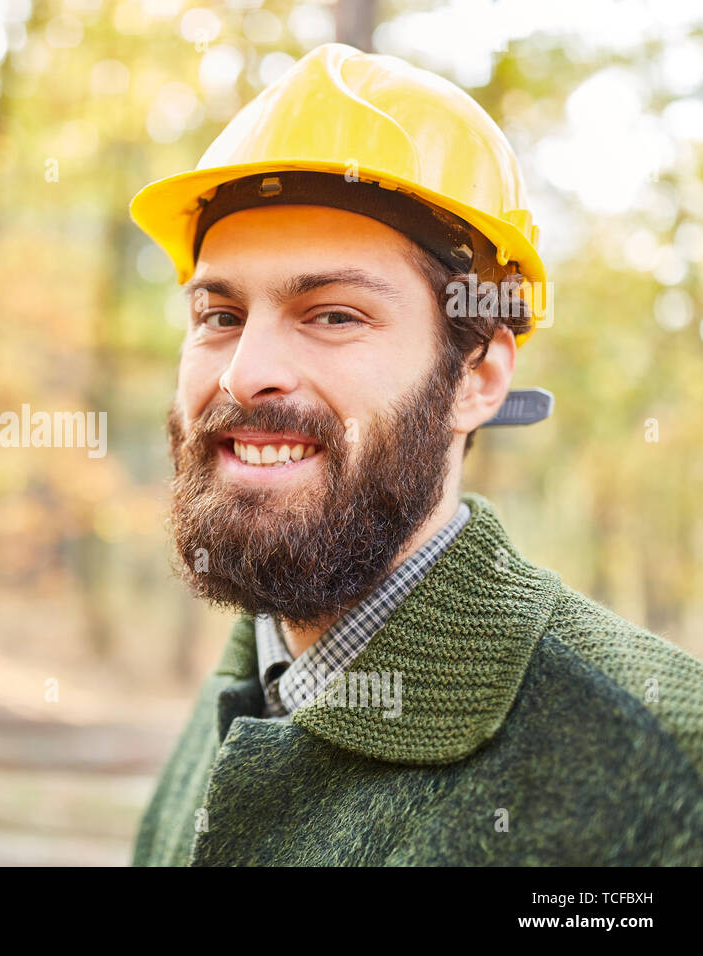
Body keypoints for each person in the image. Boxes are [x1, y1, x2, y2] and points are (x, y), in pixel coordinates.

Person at [129, 43, 703, 865]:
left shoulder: (664, 772)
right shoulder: (243, 689)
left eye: (333, 315)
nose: (246, 372)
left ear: (477, 377)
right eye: (219, 315)